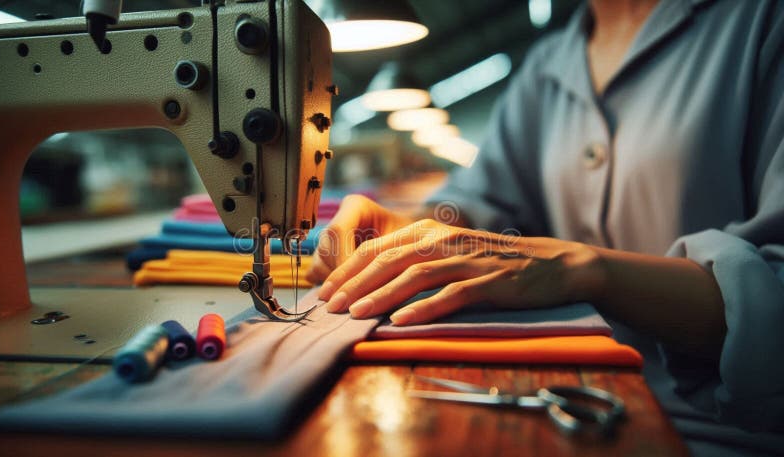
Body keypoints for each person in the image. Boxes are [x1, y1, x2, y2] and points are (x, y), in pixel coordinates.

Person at [307, 0, 784, 455]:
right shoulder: (548, 64)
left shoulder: (763, 22)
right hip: (578, 395)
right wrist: (414, 228)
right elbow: (485, 197)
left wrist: (587, 269)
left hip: (730, 433)